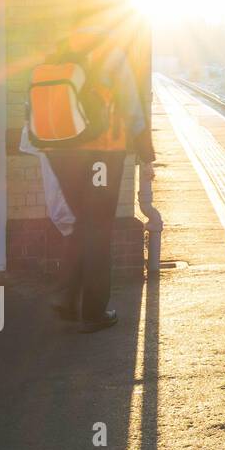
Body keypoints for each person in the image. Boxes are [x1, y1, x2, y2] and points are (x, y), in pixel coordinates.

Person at [31, 23, 155, 333]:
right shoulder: (110, 54)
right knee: (98, 229)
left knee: (83, 223)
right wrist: (144, 146)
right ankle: (93, 312)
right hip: (102, 153)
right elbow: (130, 104)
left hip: (57, 151)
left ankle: (67, 296)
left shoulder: (57, 52)